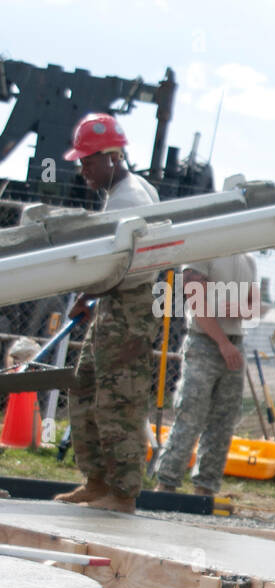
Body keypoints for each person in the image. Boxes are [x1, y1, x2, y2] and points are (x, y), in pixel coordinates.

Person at [52, 113, 161, 513]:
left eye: (88, 161)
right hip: (116, 306)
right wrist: (92, 295)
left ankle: (123, 493)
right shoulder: (127, 192)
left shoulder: (129, 201)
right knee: (84, 386)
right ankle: (97, 480)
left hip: (128, 312)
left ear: (113, 156)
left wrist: (90, 290)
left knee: (119, 401)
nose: (83, 170)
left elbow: (128, 268)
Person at [154, 253, 258, 496]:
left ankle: (206, 487)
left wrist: (240, 309)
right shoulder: (208, 250)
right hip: (204, 342)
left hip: (235, 342)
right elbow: (195, 298)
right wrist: (222, 342)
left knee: (224, 419)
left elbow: (254, 306)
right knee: (191, 413)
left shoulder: (248, 259)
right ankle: (167, 482)